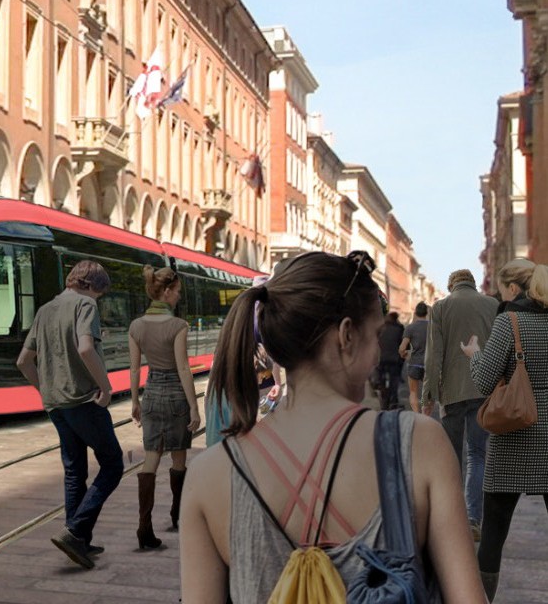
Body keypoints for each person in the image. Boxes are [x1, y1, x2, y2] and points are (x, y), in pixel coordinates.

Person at [178, 251, 484, 604]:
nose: (375, 356)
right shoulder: (419, 443)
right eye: (374, 335)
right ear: (347, 335)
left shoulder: (208, 473)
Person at [15, 259, 121, 570]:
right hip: (84, 400)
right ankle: (75, 531)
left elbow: (24, 361)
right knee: (113, 465)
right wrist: (106, 387)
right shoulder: (85, 305)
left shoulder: (45, 309)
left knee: (75, 471)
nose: (97, 300)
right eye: (98, 295)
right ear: (90, 287)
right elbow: (86, 348)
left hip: (56, 404)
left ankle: (79, 542)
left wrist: (45, 389)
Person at [464, 257, 548, 601]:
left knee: (495, 533)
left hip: (514, 434)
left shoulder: (510, 321)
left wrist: (474, 353)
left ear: (515, 288)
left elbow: (485, 382)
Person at [128, 264, 201, 550]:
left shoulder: (136, 326)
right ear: (167, 291)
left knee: (151, 459)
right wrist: (194, 407)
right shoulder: (177, 326)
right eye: (178, 292)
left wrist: (135, 400)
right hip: (175, 395)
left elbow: (135, 369)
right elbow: (183, 368)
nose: (179, 297)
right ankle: (177, 514)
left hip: (152, 393)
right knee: (178, 459)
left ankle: (144, 526)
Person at [423, 268, 497, 538]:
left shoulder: (440, 308)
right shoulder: (492, 305)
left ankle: (451, 519)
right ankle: (473, 518)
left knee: (452, 457)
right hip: (484, 389)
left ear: (451, 285)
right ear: (473, 284)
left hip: (451, 393)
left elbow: (434, 355)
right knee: (477, 453)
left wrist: (427, 395)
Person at [400, 301, 430, 414]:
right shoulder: (433, 327)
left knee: (413, 393)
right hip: (429, 364)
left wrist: (404, 355)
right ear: (426, 313)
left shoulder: (410, 328)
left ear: (416, 313)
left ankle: (417, 414)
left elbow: (402, 348)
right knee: (427, 394)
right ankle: (425, 413)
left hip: (415, 364)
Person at [375, 309, 405, 409]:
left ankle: (381, 390)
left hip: (381, 359)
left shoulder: (380, 327)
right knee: (394, 379)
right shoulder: (400, 328)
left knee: (381, 377)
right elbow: (403, 345)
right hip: (394, 360)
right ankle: (393, 400)